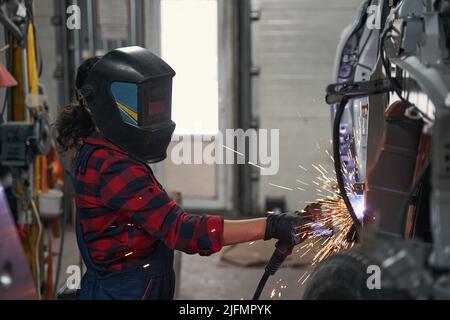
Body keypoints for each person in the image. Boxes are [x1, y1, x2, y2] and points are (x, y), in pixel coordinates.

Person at [55, 46, 313, 300]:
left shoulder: (105, 150)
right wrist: (271, 226)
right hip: (122, 292)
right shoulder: (110, 165)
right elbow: (182, 231)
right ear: (104, 105)